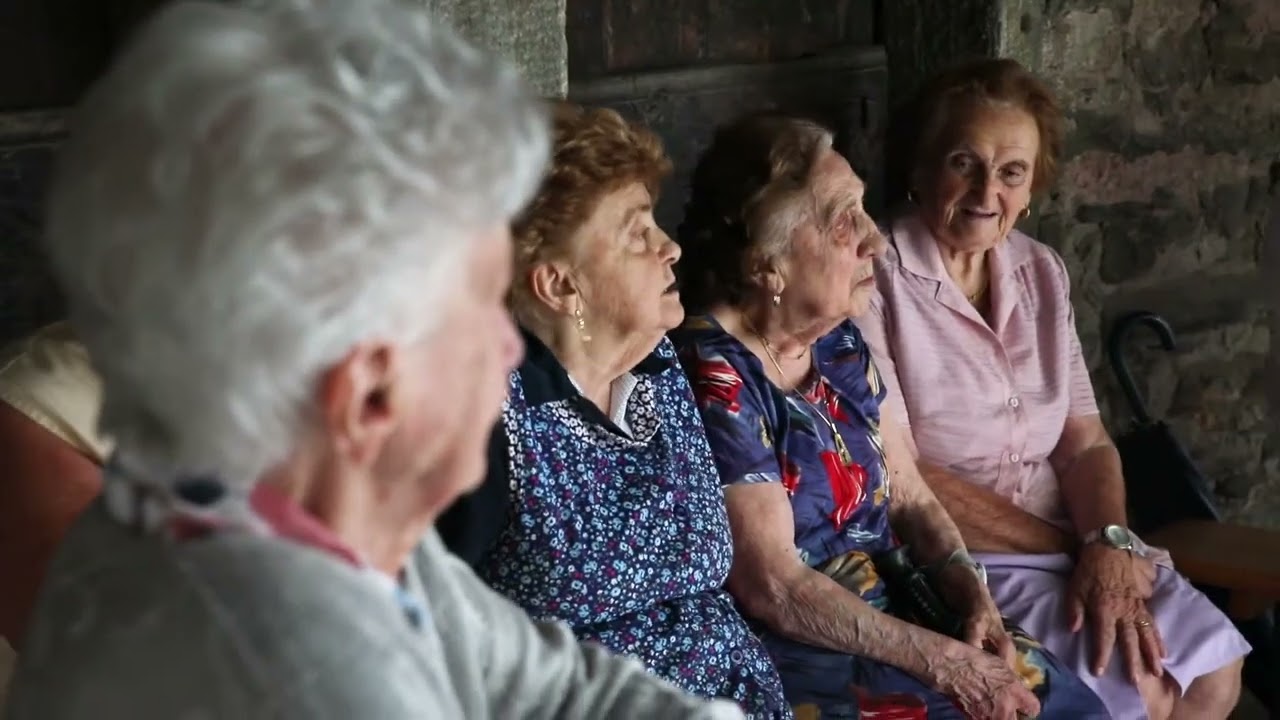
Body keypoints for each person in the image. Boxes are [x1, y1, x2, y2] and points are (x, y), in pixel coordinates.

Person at [3, 2, 745, 718]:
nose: (509, 348)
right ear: (367, 397)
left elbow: (558, 685)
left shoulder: (330, 532)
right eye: (484, 307)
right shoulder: (300, 671)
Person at [670, 112, 1110, 719]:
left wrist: (969, 593)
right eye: (842, 221)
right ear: (767, 263)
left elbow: (911, 497)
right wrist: (945, 662)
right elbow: (772, 584)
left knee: (1072, 709)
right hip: (809, 640)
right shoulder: (712, 370)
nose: (874, 239)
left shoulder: (837, 341)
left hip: (900, 603)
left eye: (863, 210)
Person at [855, 57, 1249, 719]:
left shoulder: (1039, 270)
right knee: (1138, 690)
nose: (987, 190)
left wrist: (1113, 540)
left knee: (1215, 670)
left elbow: (1084, 442)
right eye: (963, 162)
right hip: (962, 557)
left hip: (1084, 540)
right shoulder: (875, 279)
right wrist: (1079, 549)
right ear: (920, 169)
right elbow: (904, 475)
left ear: (1033, 186)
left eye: (1011, 172)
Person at [453, 102, 790, 718]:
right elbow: (430, 629)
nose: (670, 247)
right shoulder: (491, 423)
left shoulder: (659, 364)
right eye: (637, 232)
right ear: (559, 285)